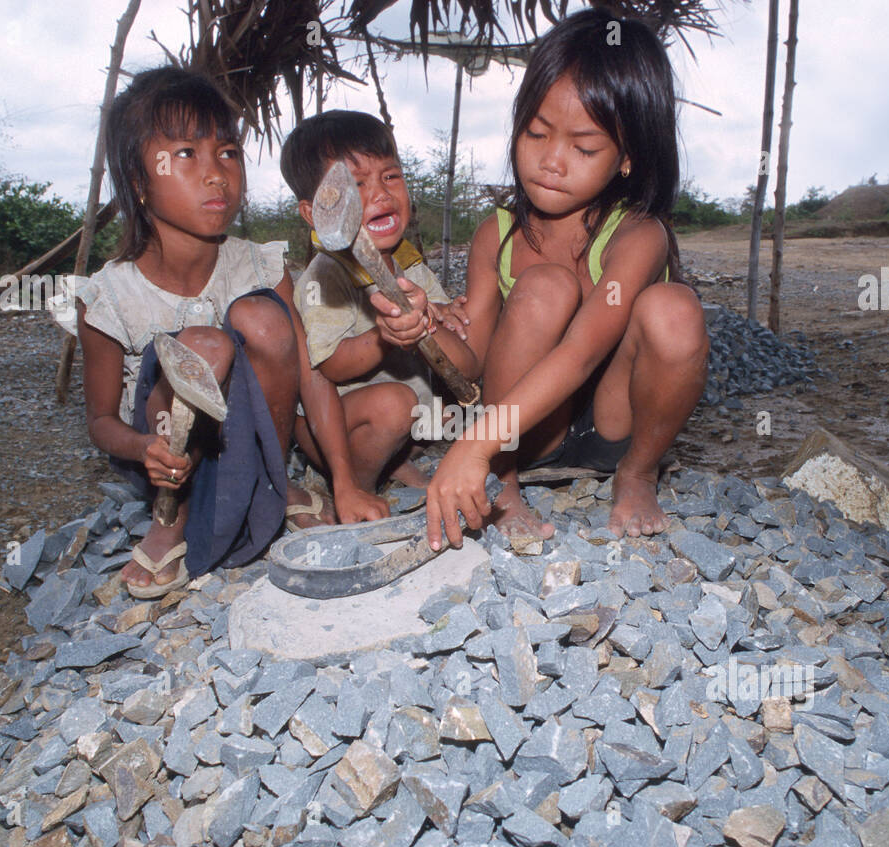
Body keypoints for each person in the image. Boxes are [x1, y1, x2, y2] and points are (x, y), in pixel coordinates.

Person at [66, 67, 384, 598]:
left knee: (261, 319)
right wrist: (145, 446)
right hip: (165, 456)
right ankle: (171, 519)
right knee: (203, 344)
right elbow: (99, 421)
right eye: (186, 154)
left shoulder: (261, 266)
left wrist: (345, 481)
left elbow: (307, 373)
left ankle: (273, 483)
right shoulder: (108, 295)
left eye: (229, 152)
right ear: (140, 182)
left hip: (251, 442)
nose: (217, 174)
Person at [425, 9, 709, 549]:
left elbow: (581, 352)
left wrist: (471, 447)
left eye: (583, 148)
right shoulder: (496, 235)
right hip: (528, 435)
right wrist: (421, 326)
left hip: (613, 424)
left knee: (675, 308)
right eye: (536, 132)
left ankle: (639, 474)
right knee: (546, 286)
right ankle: (502, 486)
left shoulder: (639, 234)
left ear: (627, 158)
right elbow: (472, 364)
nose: (552, 162)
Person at [281, 110, 482, 496]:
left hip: (399, 412)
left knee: (448, 402)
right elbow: (333, 366)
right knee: (396, 404)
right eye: (355, 184)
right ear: (314, 213)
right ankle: (355, 485)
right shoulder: (326, 274)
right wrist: (383, 336)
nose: (380, 194)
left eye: (391, 176)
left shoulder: (406, 259)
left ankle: (393, 460)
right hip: (330, 427)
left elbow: (450, 333)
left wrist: (438, 314)